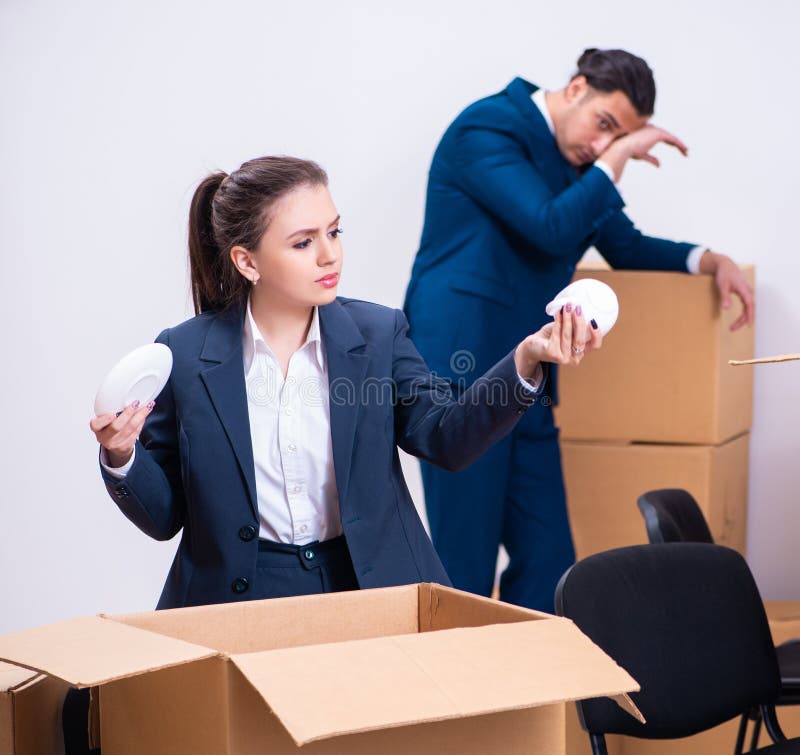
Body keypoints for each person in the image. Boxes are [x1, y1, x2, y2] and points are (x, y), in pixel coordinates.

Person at [65, 155, 601, 754]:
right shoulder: (185, 355)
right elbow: (165, 516)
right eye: (303, 242)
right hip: (241, 596)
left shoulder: (377, 335)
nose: (329, 255)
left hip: (365, 586)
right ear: (246, 261)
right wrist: (122, 457)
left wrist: (526, 360)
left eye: (334, 232)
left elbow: (445, 437)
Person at [402, 48, 755, 614]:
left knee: (550, 559)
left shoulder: (574, 159)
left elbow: (625, 244)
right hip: (463, 369)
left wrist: (708, 258)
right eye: (604, 123)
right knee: (464, 560)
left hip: (531, 377)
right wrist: (615, 159)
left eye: (618, 137)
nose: (602, 143)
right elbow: (549, 226)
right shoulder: (488, 127)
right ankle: (451, 672)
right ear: (575, 89)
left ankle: (534, 670)